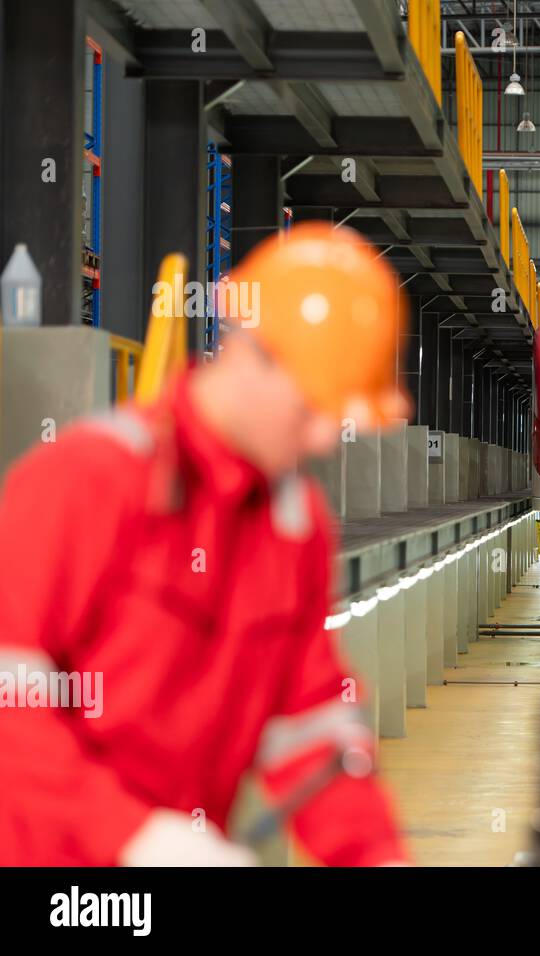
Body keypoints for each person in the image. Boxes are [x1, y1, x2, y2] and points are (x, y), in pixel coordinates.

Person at [0, 224, 412, 865]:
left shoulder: (291, 522)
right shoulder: (90, 482)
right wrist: (133, 837)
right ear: (251, 356)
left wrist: (372, 854)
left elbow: (311, 725)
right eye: (310, 411)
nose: (324, 442)